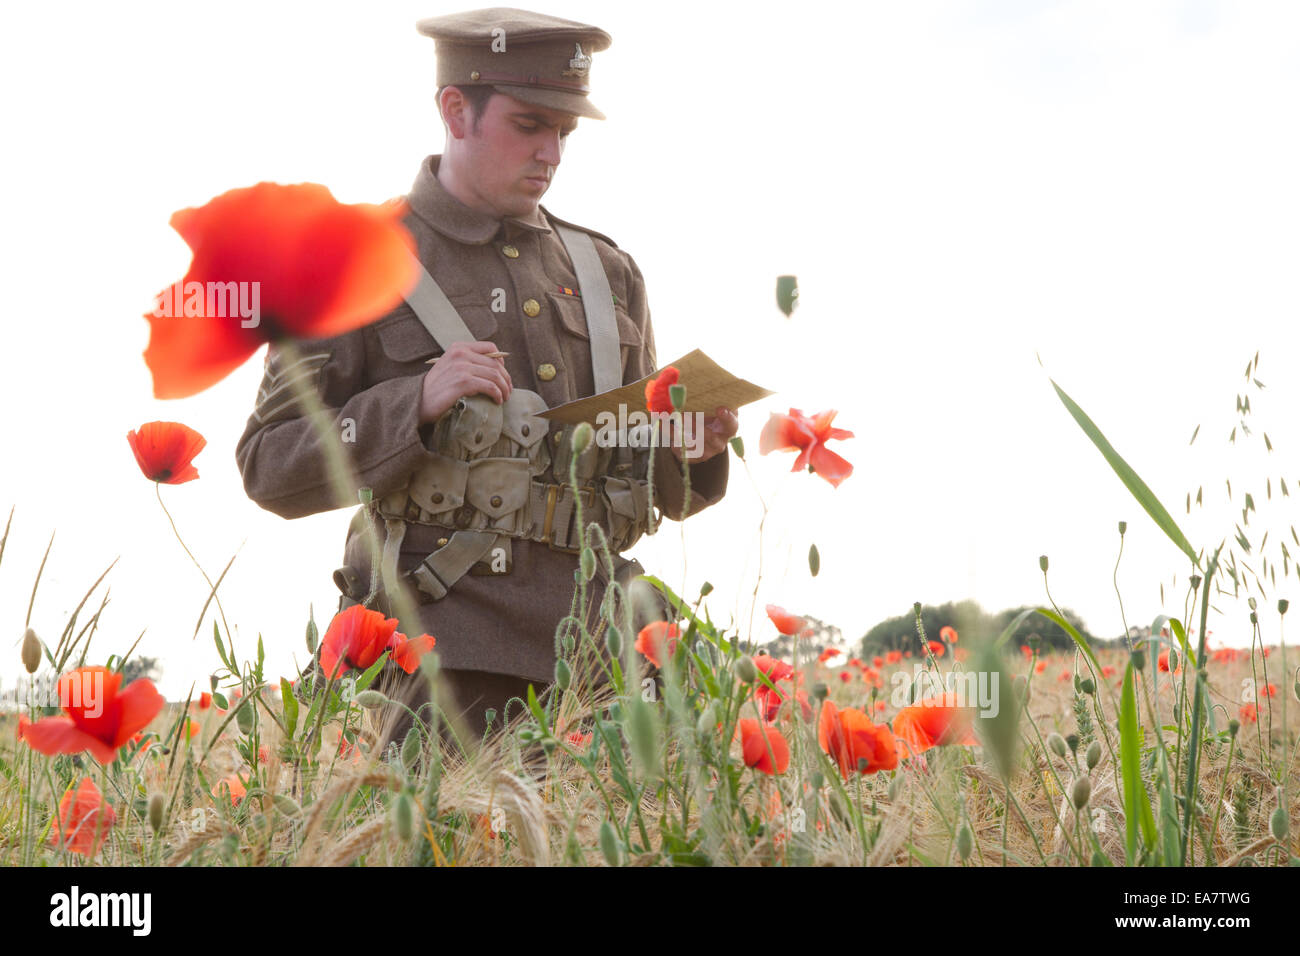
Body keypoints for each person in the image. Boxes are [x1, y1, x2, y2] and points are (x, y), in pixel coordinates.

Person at [235, 8, 738, 751]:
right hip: (447, 660)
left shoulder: (608, 273)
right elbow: (268, 463)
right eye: (530, 124)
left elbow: (658, 486)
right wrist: (414, 404)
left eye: (565, 132)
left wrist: (692, 449)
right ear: (453, 110)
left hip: (610, 651)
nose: (553, 152)